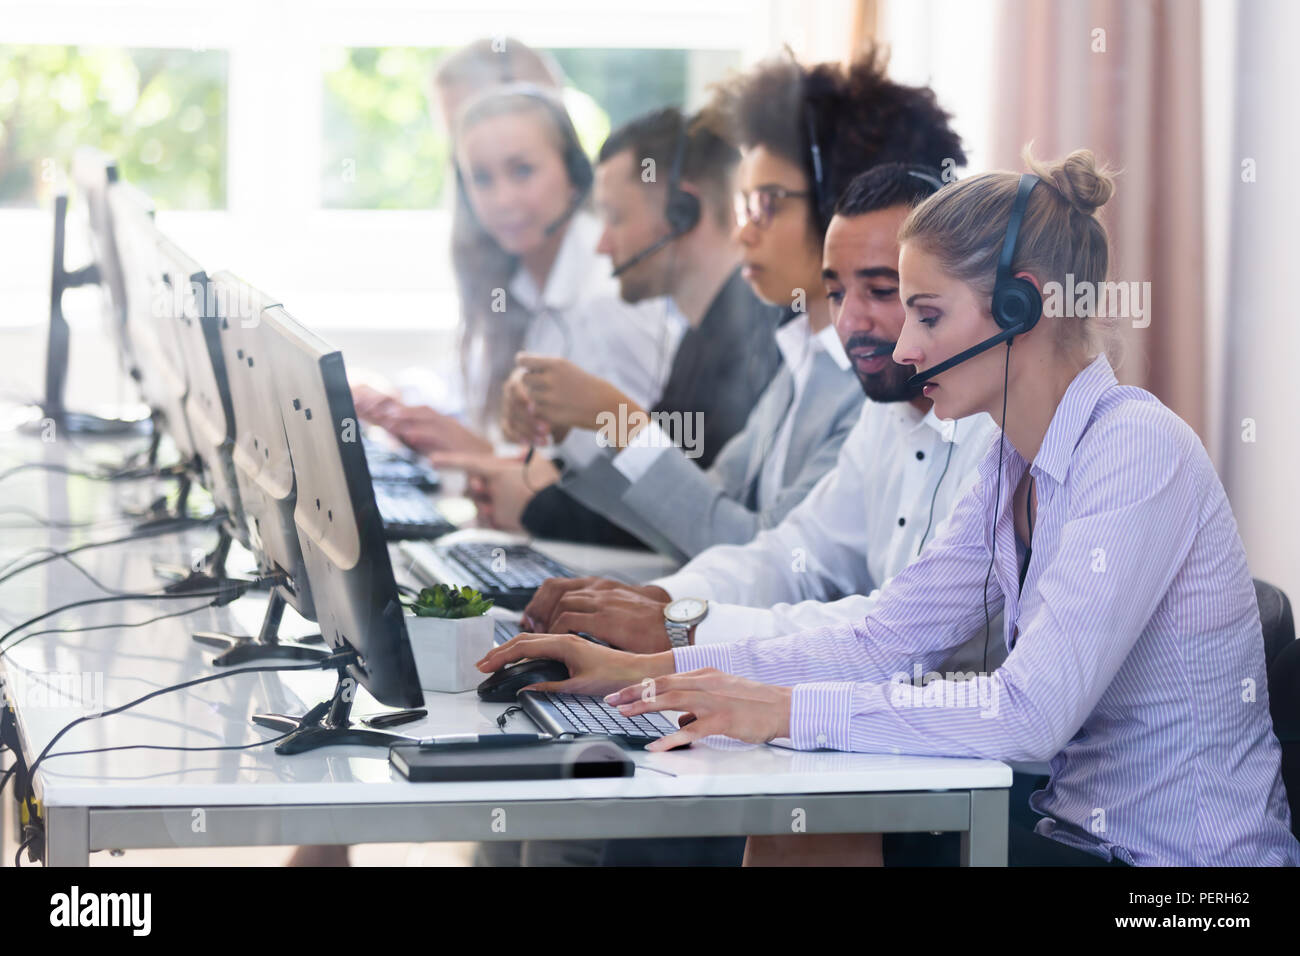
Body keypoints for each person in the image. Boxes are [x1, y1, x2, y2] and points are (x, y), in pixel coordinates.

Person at [482, 149, 1300, 867]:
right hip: (1070, 836)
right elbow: (884, 640)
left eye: (927, 314)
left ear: (1020, 306)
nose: (905, 349)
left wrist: (782, 709)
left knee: (817, 827)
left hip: (1176, 877)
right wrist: (654, 674)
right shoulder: (1011, 466)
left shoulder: (1137, 450)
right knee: (800, 822)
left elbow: (1028, 714)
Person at [525, 164, 996, 665]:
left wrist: (681, 626)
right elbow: (790, 555)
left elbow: (904, 630)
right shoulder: (877, 408)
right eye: (835, 293)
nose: (848, 322)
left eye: (881, 291)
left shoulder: (993, 434)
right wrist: (663, 600)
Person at [436, 107, 784, 543]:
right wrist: (560, 452)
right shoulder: (700, 337)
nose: (602, 245)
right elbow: (658, 488)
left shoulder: (758, 342)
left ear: (683, 212)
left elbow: (702, 521)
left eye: (615, 218)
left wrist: (602, 422)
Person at [354, 82, 679, 457]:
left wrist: (485, 457)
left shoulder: (607, 298)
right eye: (482, 178)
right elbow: (470, 380)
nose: (503, 200)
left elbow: (647, 460)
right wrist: (394, 398)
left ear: (575, 176)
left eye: (522, 171)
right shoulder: (523, 279)